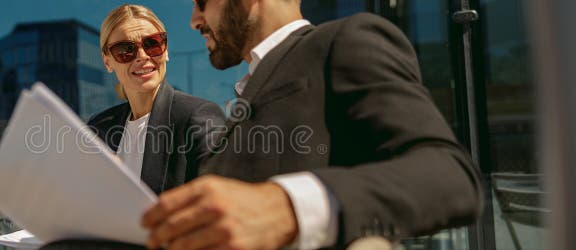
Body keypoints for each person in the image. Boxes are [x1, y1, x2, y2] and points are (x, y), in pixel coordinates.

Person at [141, 0, 482, 249]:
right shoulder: (242, 102)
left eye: (201, 2)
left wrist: (287, 206)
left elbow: (449, 177)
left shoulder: (344, 40)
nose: (193, 20)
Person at [0, 4, 224, 248]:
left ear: (165, 52)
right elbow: (63, 203)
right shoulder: (101, 126)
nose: (142, 56)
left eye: (153, 44)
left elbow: (220, 217)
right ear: (107, 61)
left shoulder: (197, 116)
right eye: (125, 50)